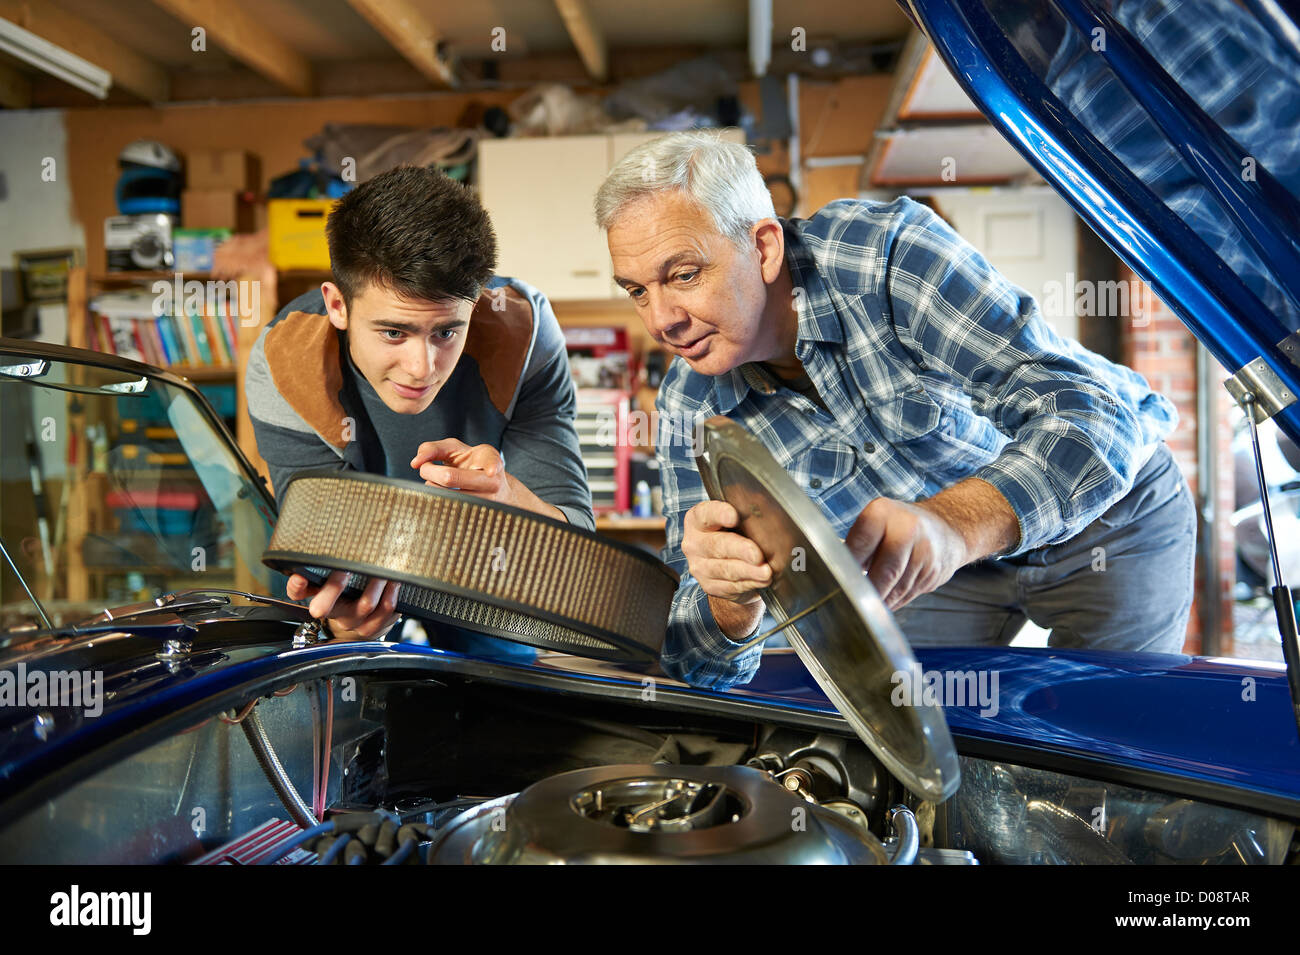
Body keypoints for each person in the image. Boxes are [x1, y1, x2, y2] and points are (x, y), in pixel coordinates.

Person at [594, 131, 1194, 689]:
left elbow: (1092, 415)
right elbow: (693, 663)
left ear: (764, 246)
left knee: (1116, 732)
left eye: (684, 274)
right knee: (911, 729)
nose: (661, 320)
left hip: (1107, 514)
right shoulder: (686, 407)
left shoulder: (886, 259)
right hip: (932, 569)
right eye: (637, 290)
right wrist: (729, 601)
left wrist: (952, 526)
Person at [246, 165, 592, 640]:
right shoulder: (284, 361)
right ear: (337, 305)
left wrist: (513, 499)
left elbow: (577, 554)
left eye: (447, 331)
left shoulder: (525, 336)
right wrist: (343, 624)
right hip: (366, 582)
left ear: (476, 304)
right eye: (394, 332)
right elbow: (318, 550)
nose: (421, 367)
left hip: (488, 588)